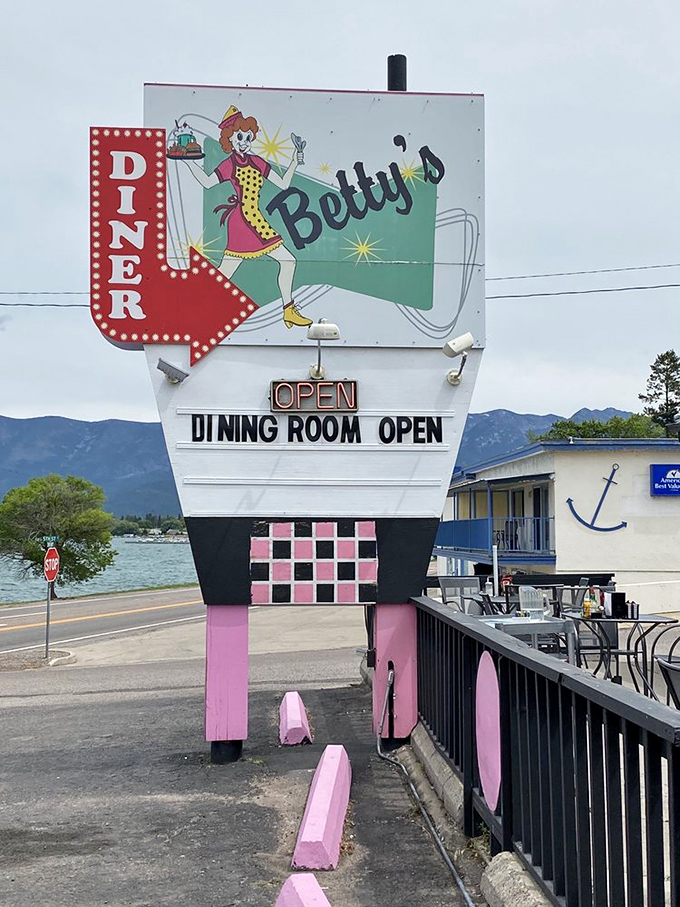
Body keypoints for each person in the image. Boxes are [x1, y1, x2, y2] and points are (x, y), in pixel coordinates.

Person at [185, 105, 311, 329]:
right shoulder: (230, 164)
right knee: (226, 272)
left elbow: (282, 184)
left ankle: (288, 310)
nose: (245, 141)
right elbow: (207, 182)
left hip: (258, 221)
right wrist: (189, 162)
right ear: (230, 140)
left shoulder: (257, 162)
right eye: (239, 136)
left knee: (288, 260)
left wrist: (294, 161)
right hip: (242, 222)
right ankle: (196, 305)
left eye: (248, 136)